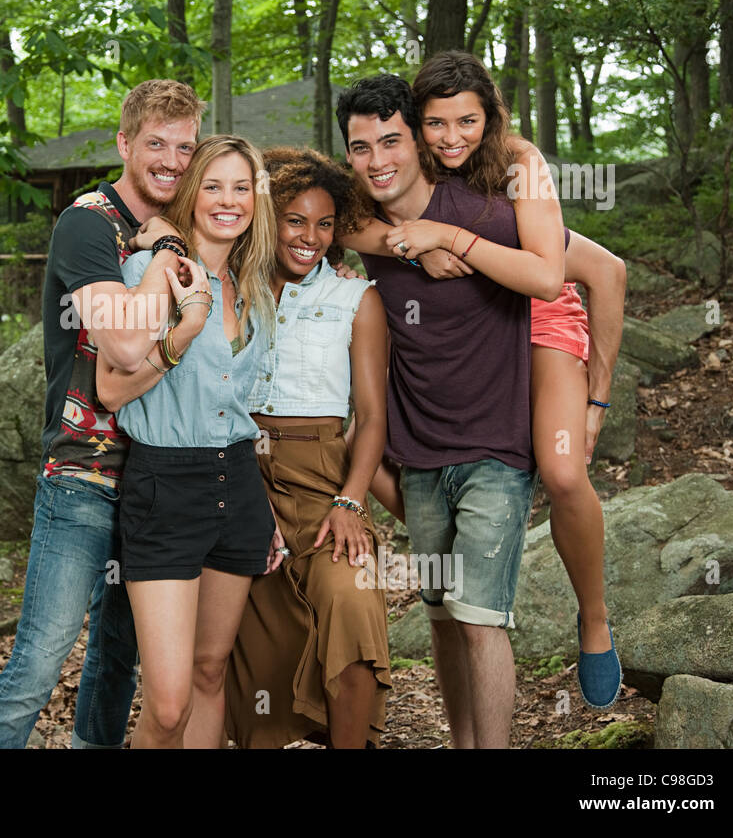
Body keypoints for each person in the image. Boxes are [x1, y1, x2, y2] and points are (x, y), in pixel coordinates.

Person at [342, 51, 627, 709]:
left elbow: (596, 272)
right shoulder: (393, 183)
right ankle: (461, 567)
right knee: (367, 438)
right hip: (463, 338)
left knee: (560, 473)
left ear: (489, 117)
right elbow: (351, 218)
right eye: (436, 124)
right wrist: (409, 242)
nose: (451, 138)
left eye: (466, 122)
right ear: (416, 126)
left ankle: (593, 618)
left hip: (537, 318)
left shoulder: (516, 171)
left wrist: (597, 401)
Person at [0, 79, 207, 749]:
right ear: (125, 142)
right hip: (83, 475)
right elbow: (124, 344)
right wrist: (160, 256)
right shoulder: (88, 223)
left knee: (116, 661)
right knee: (40, 659)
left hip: (157, 480)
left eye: (186, 148)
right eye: (156, 144)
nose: (173, 161)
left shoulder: (182, 224)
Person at [335, 73, 553, 748]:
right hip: (420, 455)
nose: (378, 159)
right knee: (439, 616)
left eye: (392, 140)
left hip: (496, 448)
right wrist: (407, 242)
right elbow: (295, 208)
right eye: (361, 146)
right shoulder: (358, 221)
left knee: (480, 616)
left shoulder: (484, 204)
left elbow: (548, 274)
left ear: (418, 142)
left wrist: (444, 239)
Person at [96, 134, 278, 748]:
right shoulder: (150, 271)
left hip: (240, 488)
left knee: (210, 671)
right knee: (169, 705)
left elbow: (239, 408)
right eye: (213, 185)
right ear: (191, 191)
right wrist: (184, 330)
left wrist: (266, 509)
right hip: (164, 488)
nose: (228, 200)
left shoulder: (256, 288)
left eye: (242, 187)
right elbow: (111, 388)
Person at [223, 146, 392, 749]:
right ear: (270, 217)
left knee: (352, 603)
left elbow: (371, 418)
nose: (310, 237)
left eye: (325, 224)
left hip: (325, 482)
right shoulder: (231, 288)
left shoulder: (355, 298)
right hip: (240, 476)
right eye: (296, 220)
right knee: (232, 631)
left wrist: (350, 503)